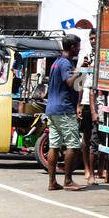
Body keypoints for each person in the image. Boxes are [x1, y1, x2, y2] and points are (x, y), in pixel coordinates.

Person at [45, 34, 84, 191]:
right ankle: (68, 181)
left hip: (52, 109)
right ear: (73, 47)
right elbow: (69, 82)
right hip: (64, 109)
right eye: (78, 46)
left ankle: (52, 182)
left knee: (54, 145)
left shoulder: (57, 62)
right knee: (73, 145)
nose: (79, 49)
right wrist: (80, 72)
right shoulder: (65, 64)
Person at [78, 32, 100, 186]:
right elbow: (77, 79)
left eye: (95, 38)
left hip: (101, 99)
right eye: (91, 38)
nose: (93, 41)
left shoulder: (104, 53)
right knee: (86, 137)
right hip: (86, 98)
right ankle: (87, 168)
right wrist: (78, 104)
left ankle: (100, 170)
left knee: (97, 137)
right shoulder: (84, 54)